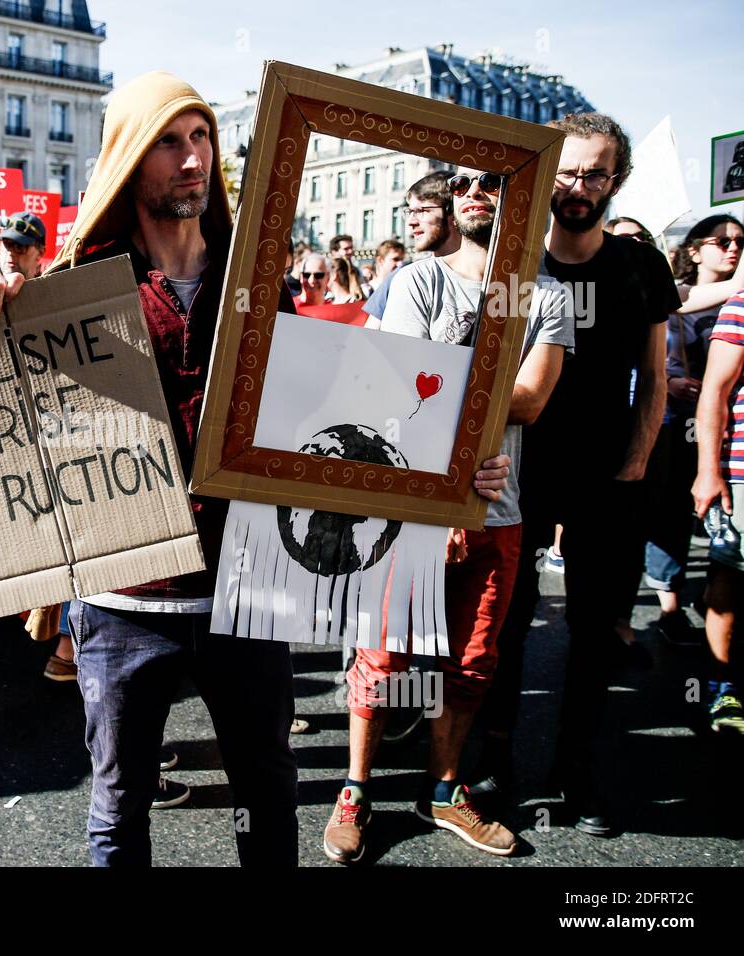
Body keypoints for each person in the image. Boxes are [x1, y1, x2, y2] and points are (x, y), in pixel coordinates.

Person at [0, 71, 512, 867]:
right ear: (127, 160)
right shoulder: (73, 286)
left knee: (266, 789)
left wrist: (450, 471)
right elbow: (9, 414)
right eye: (168, 142)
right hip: (122, 597)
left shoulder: (256, 281)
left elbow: (327, 408)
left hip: (248, 587)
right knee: (119, 804)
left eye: (202, 138)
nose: (191, 160)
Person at [324, 168, 572, 863]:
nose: (474, 192)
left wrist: (464, 422)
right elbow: (402, 385)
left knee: (472, 660)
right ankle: (355, 789)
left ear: (519, 194)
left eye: (493, 181)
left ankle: (443, 791)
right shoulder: (417, 281)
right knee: (382, 654)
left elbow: (530, 401)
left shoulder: (546, 294)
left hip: (502, 507)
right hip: (411, 503)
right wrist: (458, 472)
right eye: (463, 180)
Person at [472, 112, 680, 837]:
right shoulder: (513, 262)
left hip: (609, 477)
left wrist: (636, 461)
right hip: (523, 470)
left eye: (595, 173)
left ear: (615, 181)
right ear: (545, 173)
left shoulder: (640, 267)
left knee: (594, 634)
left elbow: (655, 378)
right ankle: (493, 764)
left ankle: (575, 776)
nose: (579, 186)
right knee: (504, 623)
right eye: (566, 171)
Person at [643, 215, 744, 645]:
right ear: (695, 250)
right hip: (674, 421)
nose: (732, 247)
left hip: (726, 433)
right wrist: (671, 379)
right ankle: (670, 605)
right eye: (722, 240)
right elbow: (648, 359)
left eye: (740, 240)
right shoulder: (679, 302)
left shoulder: (734, 299)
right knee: (671, 513)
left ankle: (710, 602)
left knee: (715, 536)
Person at [690, 291, 744, 733]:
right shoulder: (741, 305)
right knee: (730, 576)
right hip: (742, 472)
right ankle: (723, 684)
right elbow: (715, 392)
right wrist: (708, 470)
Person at [363, 173, 461, 329]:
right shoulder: (403, 276)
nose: (411, 222)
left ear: (452, 212)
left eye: (421, 210)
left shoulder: (495, 278)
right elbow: (367, 337)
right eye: (409, 212)